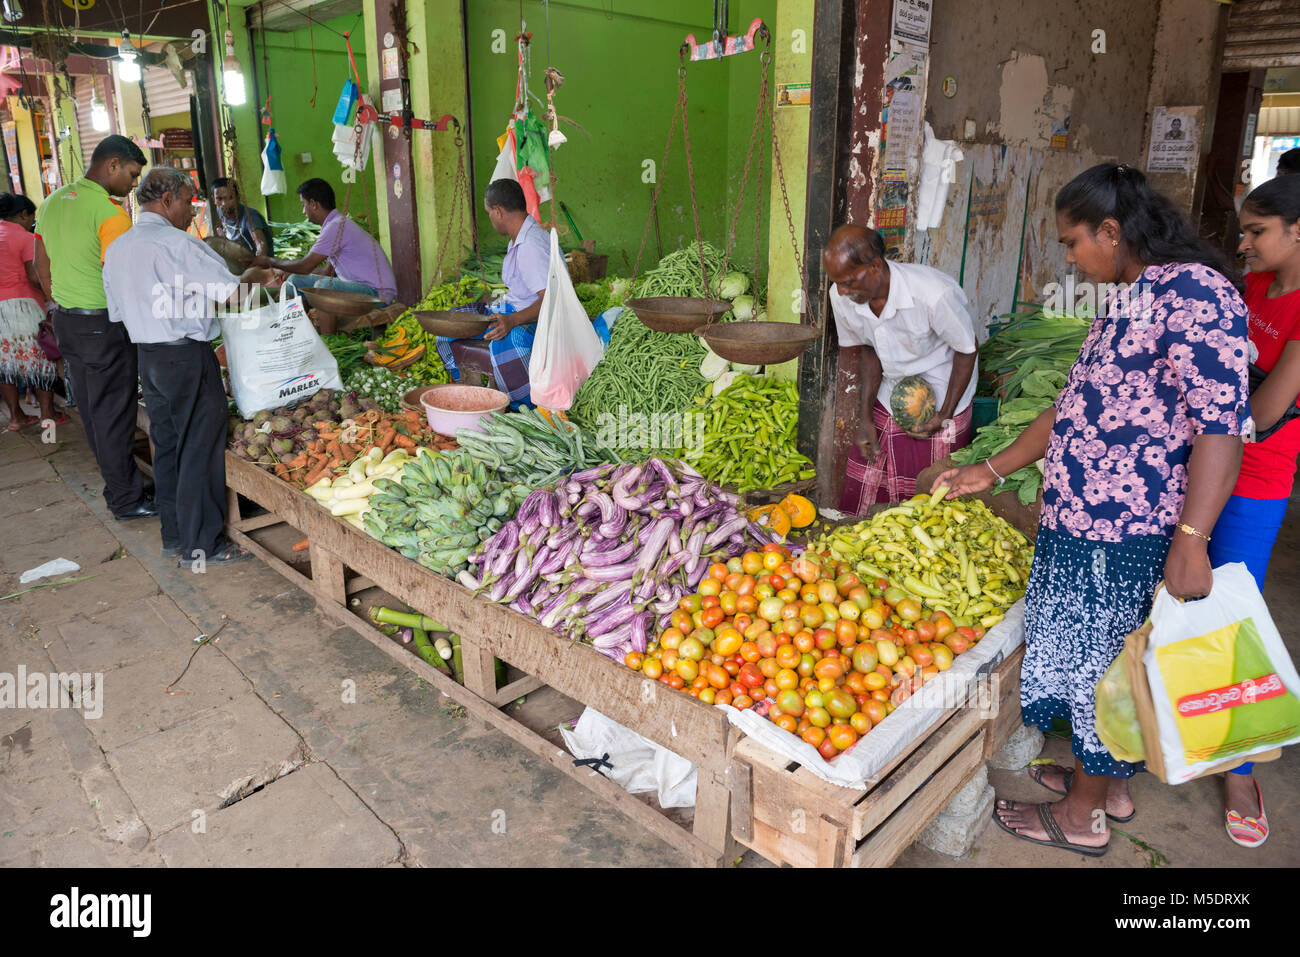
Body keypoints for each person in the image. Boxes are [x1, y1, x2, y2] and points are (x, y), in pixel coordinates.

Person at [937, 163, 1252, 857]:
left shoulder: (1197, 296)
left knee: (1103, 672)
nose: (1070, 258)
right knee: (1091, 662)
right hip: (1081, 523)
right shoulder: (1132, 294)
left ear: (1112, 230)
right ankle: (1104, 783)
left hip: (1126, 530)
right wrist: (988, 470)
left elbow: (1221, 428)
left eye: (1074, 242)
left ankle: (1081, 815)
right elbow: (1071, 405)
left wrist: (1193, 539)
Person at [103, 168, 271, 566]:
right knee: (199, 447)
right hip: (185, 356)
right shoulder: (178, 245)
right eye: (188, 200)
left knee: (169, 446)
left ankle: (175, 536)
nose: (192, 210)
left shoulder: (119, 248)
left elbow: (116, 311)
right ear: (166, 201)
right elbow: (233, 296)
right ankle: (203, 546)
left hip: (149, 356)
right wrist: (261, 282)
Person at [1203, 174, 1300, 847]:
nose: (1245, 244)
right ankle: (1177, 717)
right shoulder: (1259, 286)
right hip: (1210, 460)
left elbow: (1262, 414)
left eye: (1257, 231)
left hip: (1255, 477)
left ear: (1299, 231)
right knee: (1183, 595)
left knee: (1237, 617)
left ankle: (1242, 769)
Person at [34, 134, 155, 521]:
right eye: (132, 175)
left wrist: (63, 304)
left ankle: (120, 488)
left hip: (68, 321)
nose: (134, 184)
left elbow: (42, 266)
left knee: (91, 408)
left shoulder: (50, 203)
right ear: (113, 165)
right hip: (103, 325)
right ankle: (125, 499)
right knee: (114, 413)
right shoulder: (110, 214)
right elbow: (123, 279)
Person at [823, 224, 978, 510]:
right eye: (836, 282)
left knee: (933, 488)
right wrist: (865, 418)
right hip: (892, 385)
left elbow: (967, 351)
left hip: (945, 386)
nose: (842, 291)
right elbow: (869, 349)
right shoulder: (841, 296)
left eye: (848, 281)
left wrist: (944, 415)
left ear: (875, 266)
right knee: (868, 470)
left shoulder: (933, 294)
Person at [434, 178, 551, 406]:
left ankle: (525, 408)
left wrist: (512, 321)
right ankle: (465, 389)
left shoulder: (530, 246)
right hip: (508, 309)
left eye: (489, 212)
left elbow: (549, 300)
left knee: (510, 343)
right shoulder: (518, 237)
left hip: (531, 317)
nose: (490, 217)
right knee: (450, 323)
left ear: (498, 211)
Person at [250, 178, 396, 301]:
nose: (303, 211)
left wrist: (270, 261)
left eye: (303, 204)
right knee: (295, 281)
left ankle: (327, 335)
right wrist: (291, 272)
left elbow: (305, 266)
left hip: (378, 293)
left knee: (323, 286)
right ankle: (304, 325)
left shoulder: (336, 226)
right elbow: (327, 271)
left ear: (313, 204)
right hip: (363, 288)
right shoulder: (335, 224)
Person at [0, 193, 60, 429]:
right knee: (41, 358)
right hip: (24, 305)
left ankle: (16, 417)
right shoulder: (25, 238)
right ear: (23, 215)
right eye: (30, 217)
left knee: (6, 364)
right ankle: (48, 414)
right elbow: (35, 277)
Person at [210, 177, 270, 257]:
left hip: (255, 262)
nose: (224, 203)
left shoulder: (250, 217)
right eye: (219, 199)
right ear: (213, 199)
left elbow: (261, 244)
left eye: (230, 198)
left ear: (238, 197)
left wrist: (260, 256)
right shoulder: (220, 209)